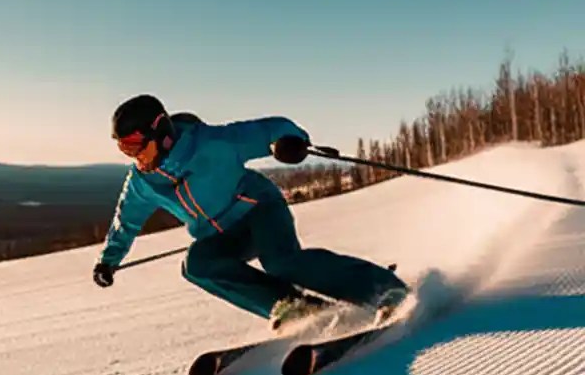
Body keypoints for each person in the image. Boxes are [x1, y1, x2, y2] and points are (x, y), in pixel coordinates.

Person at [92, 94, 406, 331]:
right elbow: (126, 221)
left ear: (161, 131)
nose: (134, 156)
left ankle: (382, 289)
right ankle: (294, 307)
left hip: (259, 208)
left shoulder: (210, 143)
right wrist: (108, 260)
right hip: (222, 234)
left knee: (282, 263)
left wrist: (289, 140)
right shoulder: (142, 182)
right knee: (197, 264)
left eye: (135, 144)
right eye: (124, 148)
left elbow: (265, 130)